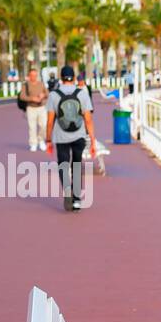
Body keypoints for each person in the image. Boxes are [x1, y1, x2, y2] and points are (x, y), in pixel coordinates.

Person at [44, 64, 95, 212]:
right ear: (73, 78)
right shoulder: (82, 93)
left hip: (61, 135)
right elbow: (88, 119)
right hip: (79, 134)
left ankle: (67, 190)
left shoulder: (54, 95)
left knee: (63, 164)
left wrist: (48, 140)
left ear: (61, 78)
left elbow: (49, 120)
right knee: (77, 164)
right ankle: (77, 199)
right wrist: (92, 140)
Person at [20, 68, 49, 151]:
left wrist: (43, 95)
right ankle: (33, 143)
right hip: (31, 108)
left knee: (44, 125)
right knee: (32, 127)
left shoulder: (41, 84)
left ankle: (41, 140)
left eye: (35, 75)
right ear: (29, 76)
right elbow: (22, 96)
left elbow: (47, 93)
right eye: (32, 75)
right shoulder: (25, 85)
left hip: (41, 108)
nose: (34, 77)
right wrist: (32, 98)